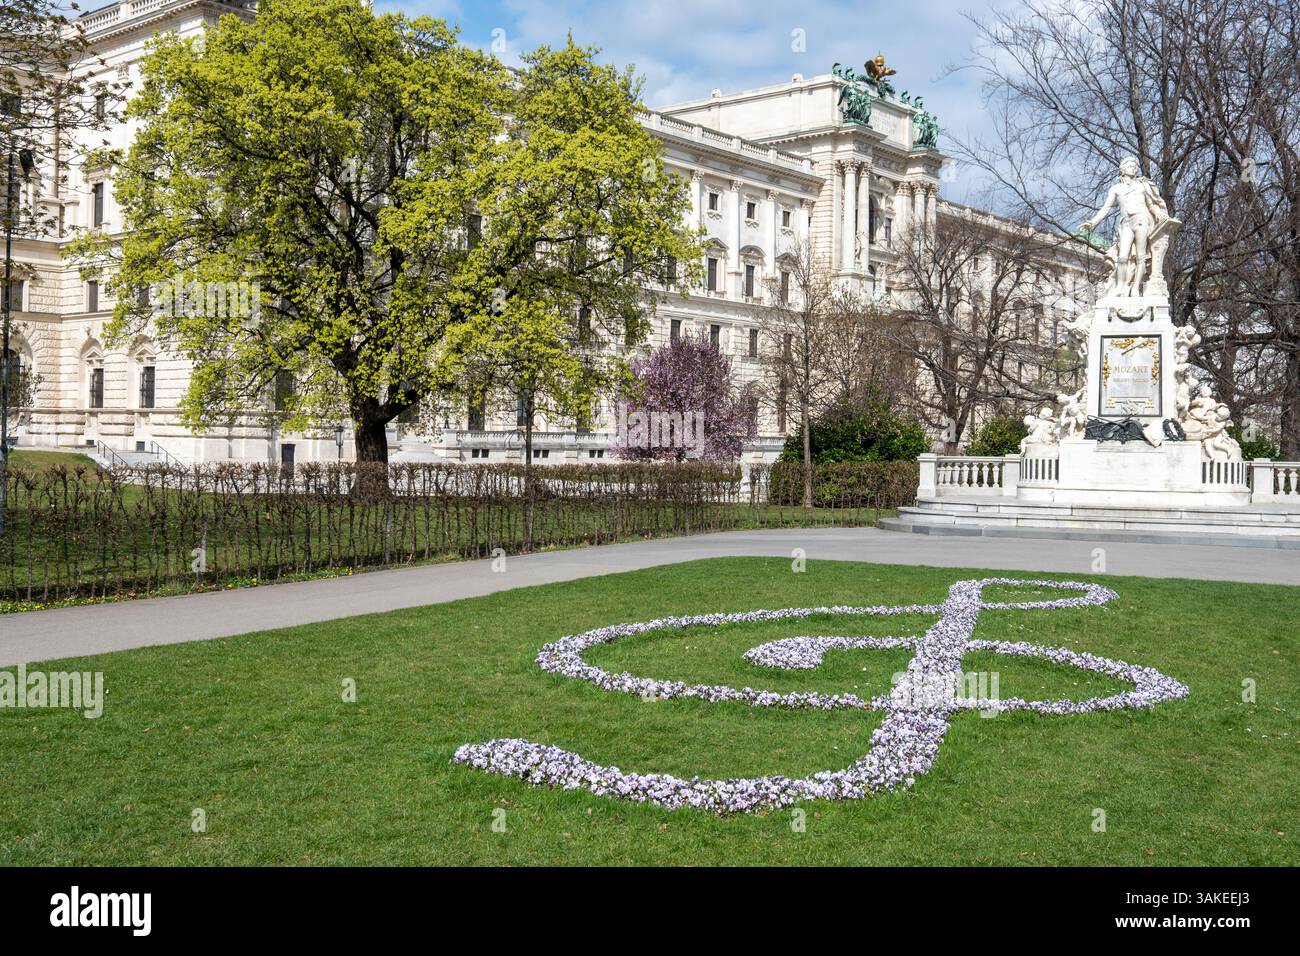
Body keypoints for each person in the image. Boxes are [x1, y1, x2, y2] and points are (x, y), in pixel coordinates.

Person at [1081, 157, 1168, 297]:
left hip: (1141, 220)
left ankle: (1134, 288)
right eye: (1130, 165)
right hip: (1126, 223)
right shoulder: (1116, 188)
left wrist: (1159, 213)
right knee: (1122, 257)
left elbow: (1151, 204)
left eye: (1135, 166)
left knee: (1141, 256)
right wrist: (1092, 222)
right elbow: (1106, 208)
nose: (1133, 167)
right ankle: (1121, 286)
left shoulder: (1142, 185)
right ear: (1123, 168)